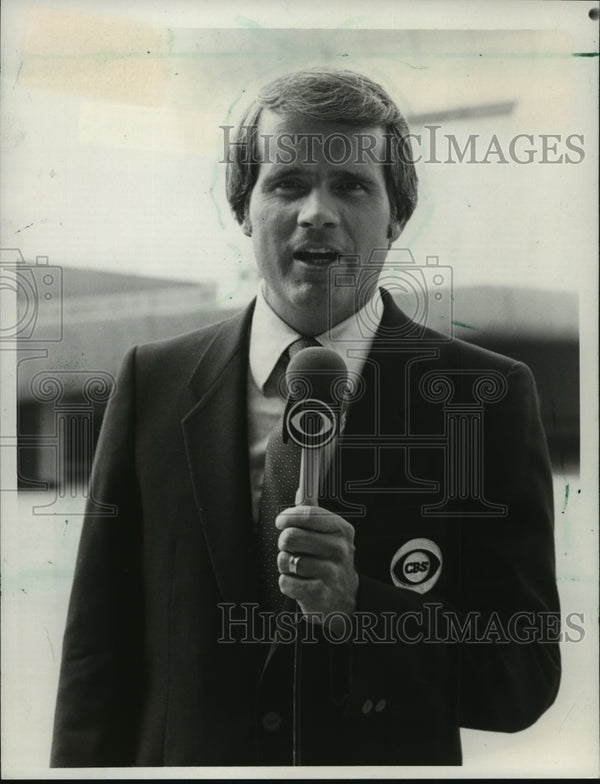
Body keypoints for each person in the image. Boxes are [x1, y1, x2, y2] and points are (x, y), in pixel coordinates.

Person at [50, 68, 561, 767]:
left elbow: (522, 677)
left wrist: (359, 607)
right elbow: (95, 663)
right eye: (288, 183)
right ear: (244, 208)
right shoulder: (152, 384)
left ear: (397, 216)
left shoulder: (485, 398)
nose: (317, 211)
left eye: (351, 185)